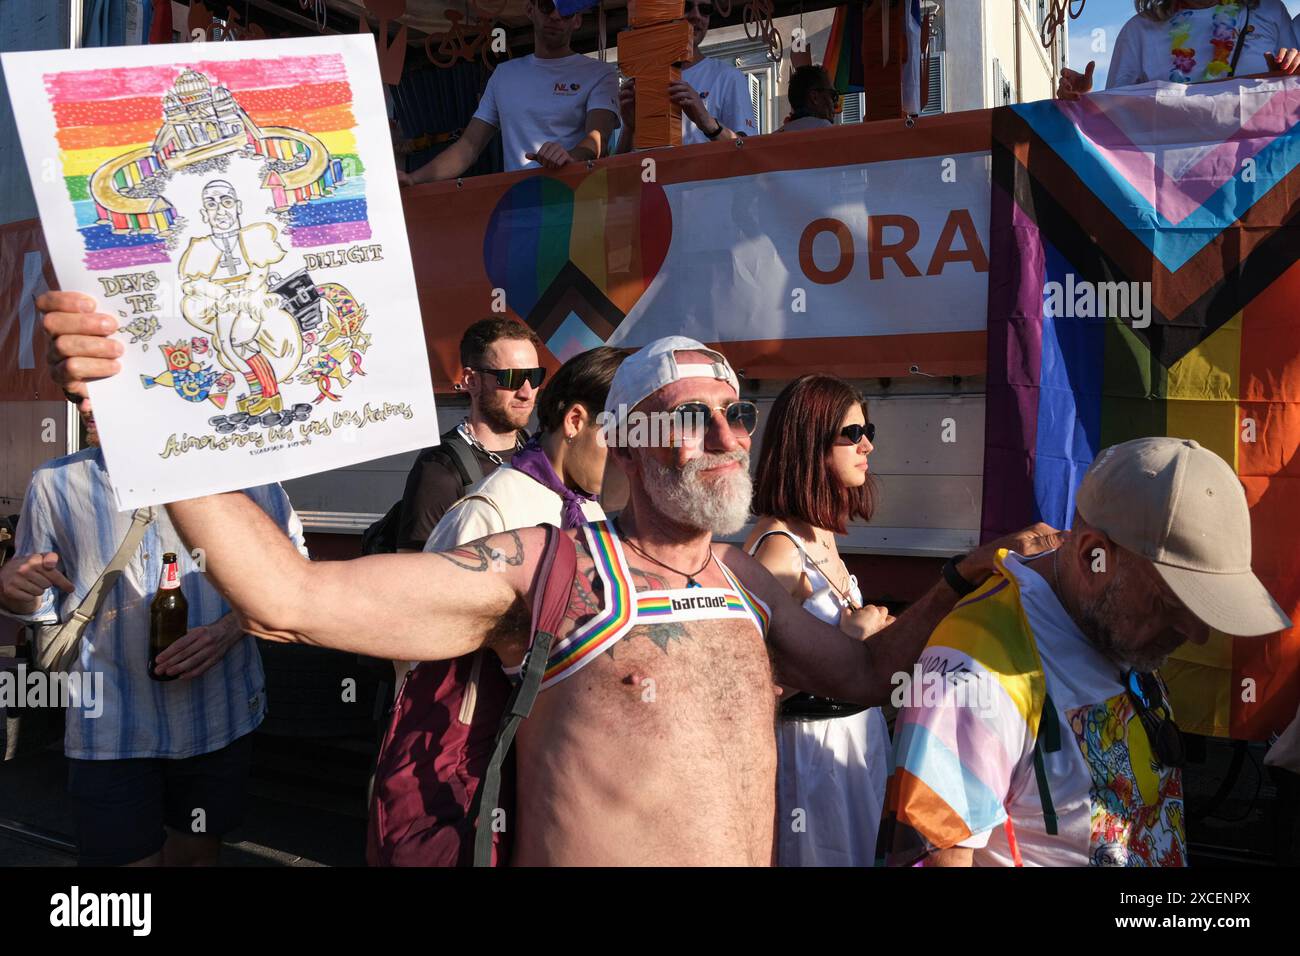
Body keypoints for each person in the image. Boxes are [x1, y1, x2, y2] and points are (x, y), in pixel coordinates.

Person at [41, 304, 1060, 865]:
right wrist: (141, 420)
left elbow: (862, 668)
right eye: (688, 414)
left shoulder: (745, 577)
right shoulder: (552, 568)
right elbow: (288, 596)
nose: (722, 435)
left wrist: (953, 584)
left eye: (736, 411)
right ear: (626, 439)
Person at [879, 437, 1292, 867]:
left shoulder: (1102, 618)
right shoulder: (976, 670)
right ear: (1094, 555)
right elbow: (932, 853)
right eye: (1171, 604)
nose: (1197, 633)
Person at [0, 391, 307, 867]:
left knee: (195, 852)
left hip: (215, 715)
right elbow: (43, 602)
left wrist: (229, 629)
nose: (84, 407)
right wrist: (17, 594)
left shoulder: (244, 473)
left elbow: (293, 577)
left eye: (99, 392)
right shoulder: (57, 483)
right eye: (76, 396)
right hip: (110, 724)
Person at [745, 374, 890, 867]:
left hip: (855, 744)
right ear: (809, 444)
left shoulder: (821, 534)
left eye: (866, 429)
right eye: (851, 433)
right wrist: (846, 642)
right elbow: (745, 679)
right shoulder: (780, 550)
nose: (866, 443)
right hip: (812, 756)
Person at [425, 345, 626, 551]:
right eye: (618, 439)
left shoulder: (590, 509)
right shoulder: (487, 514)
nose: (626, 458)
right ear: (574, 421)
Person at [400, 0, 618, 181]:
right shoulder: (504, 75)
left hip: (577, 206)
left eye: (566, 11)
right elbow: (468, 147)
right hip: (516, 208)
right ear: (530, 10)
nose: (555, 16)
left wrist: (570, 157)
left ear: (577, 19)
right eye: (546, 6)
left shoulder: (601, 73)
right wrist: (413, 178)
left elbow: (597, 140)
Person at [394, 318, 543, 554]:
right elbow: (416, 573)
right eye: (511, 378)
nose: (526, 392)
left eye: (534, 377)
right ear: (471, 381)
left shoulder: (539, 452)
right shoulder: (439, 470)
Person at [178, 179, 302, 417]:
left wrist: (249, 292)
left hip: (250, 299)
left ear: (238, 206)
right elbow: (194, 280)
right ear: (204, 213)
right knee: (228, 348)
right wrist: (220, 294)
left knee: (240, 341)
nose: (220, 210)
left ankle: (271, 394)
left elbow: (260, 269)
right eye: (211, 204)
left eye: (226, 202)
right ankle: (258, 393)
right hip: (221, 302)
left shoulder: (255, 235)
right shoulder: (201, 246)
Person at [1058, 0, 1300, 99]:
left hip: (1262, 181)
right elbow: (1115, 122)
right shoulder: (1139, 30)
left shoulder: (1269, 11)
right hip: (1172, 187)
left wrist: (1292, 68)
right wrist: (1081, 105)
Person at [614, 0, 757, 153]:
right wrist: (630, 128)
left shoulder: (728, 76)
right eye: (686, 6)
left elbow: (748, 152)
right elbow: (619, 169)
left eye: (705, 9)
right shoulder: (641, 79)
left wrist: (707, 123)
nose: (696, 16)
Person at [779, 65, 837, 132]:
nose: (836, 104)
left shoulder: (774, 137)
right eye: (833, 95)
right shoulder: (826, 129)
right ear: (815, 97)